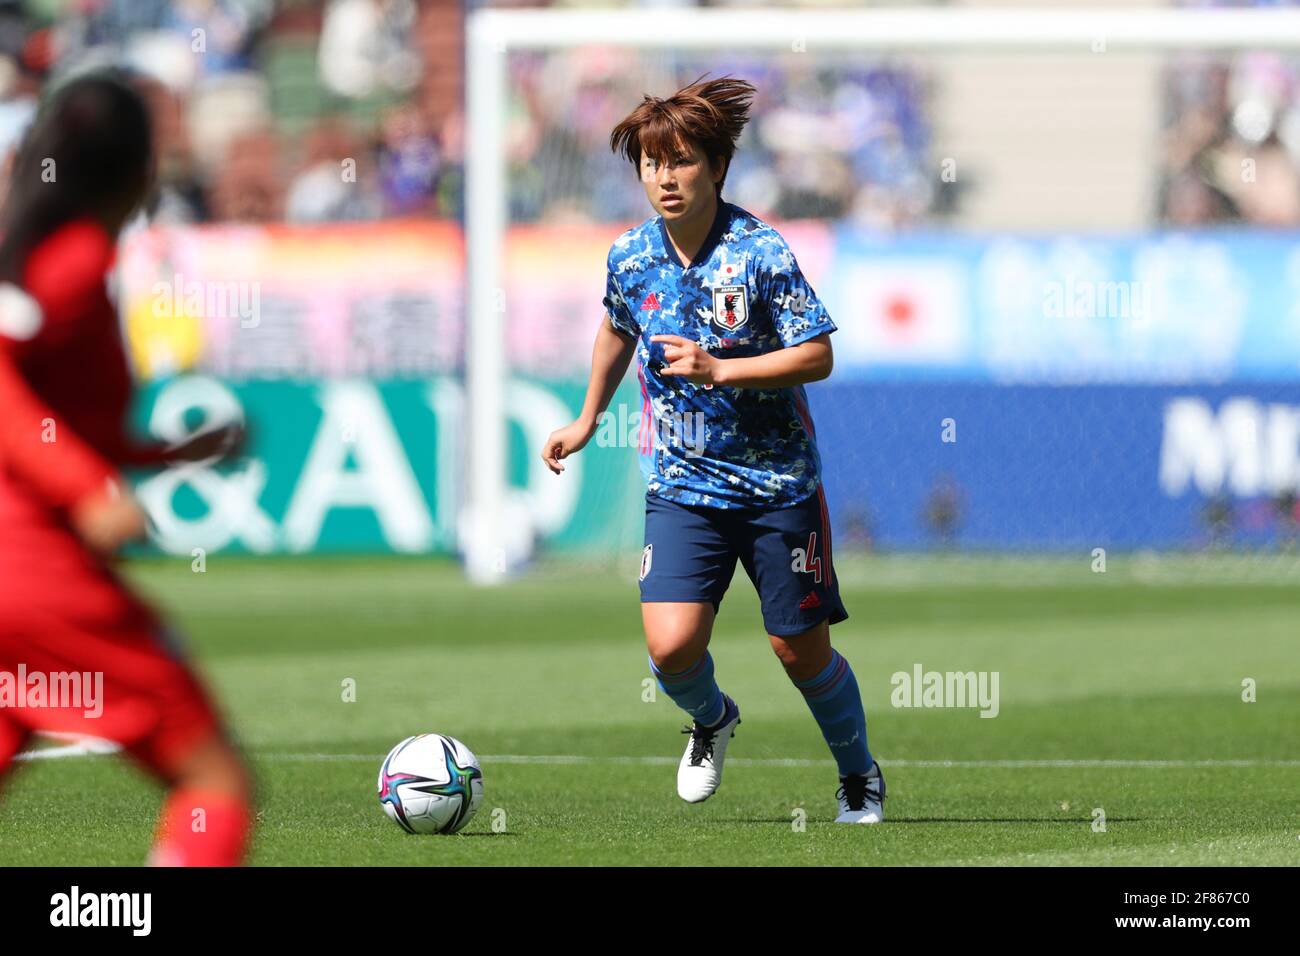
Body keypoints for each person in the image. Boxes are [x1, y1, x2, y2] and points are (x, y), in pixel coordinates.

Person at [541, 76, 884, 823]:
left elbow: (817, 355)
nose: (665, 178)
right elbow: (614, 330)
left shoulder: (759, 252)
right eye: (651, 164)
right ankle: (712, 720)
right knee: (670, 649)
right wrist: (587, 415)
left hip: (776, 487)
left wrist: (722, 367)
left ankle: (858, 774)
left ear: (718, 167)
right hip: (682, 485)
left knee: (799, 652)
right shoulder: (630, 256)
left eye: (683, 161)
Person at [0, 71, 253, 864]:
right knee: (216, 786)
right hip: (32, 573)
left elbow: (50, 416)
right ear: (141, 169)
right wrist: (86, 487)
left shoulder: (55, 250)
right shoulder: (70, 258)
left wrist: (159, 456)